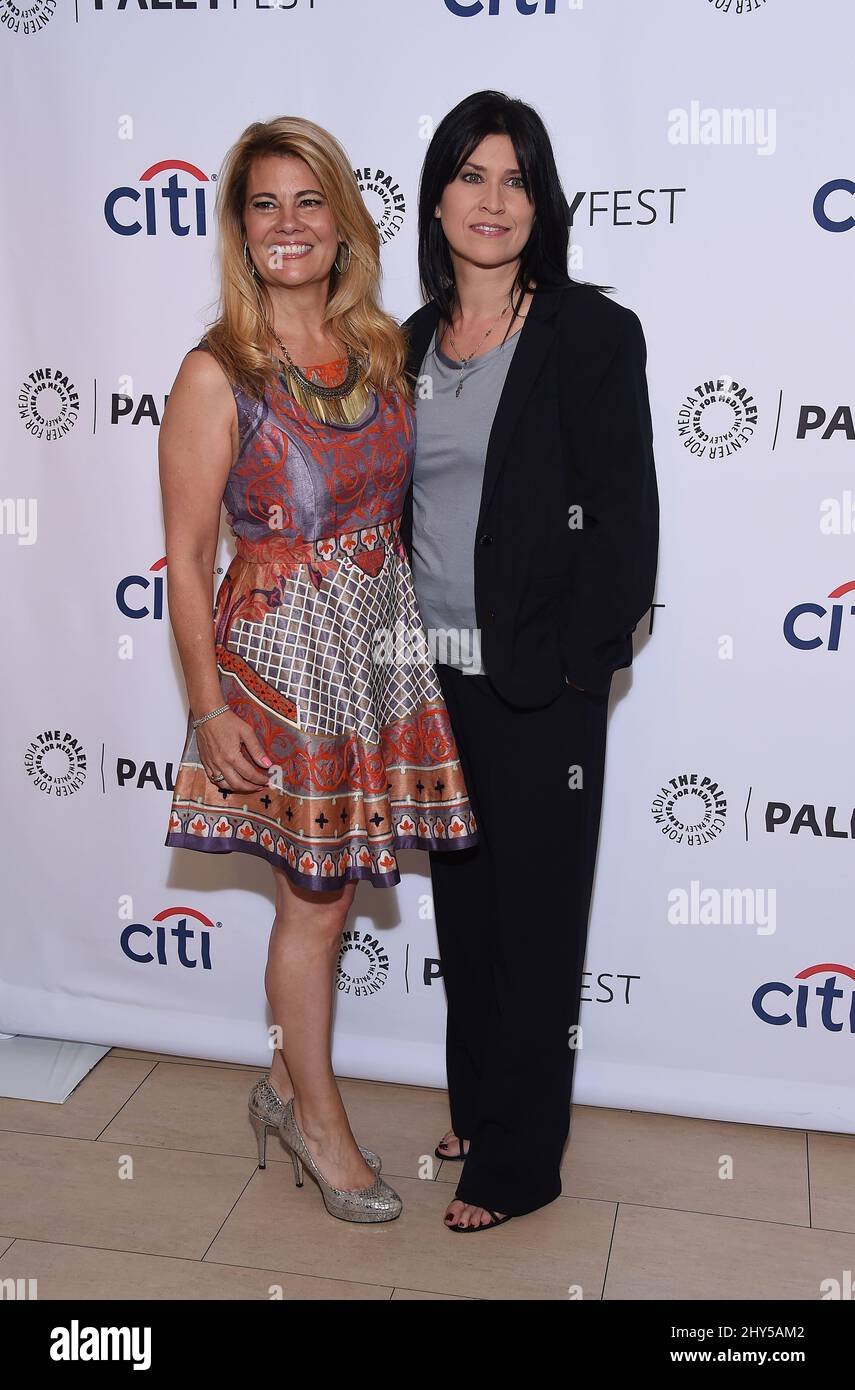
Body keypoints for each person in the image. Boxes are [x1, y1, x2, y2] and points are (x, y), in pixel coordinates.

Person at [160, 116, 478, 1225]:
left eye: (308, 202)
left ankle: (291, 1093)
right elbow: (190, 558)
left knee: (331, 899)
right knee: (316, 901)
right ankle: (320, 1123)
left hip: (376, 649)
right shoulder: (216, 373)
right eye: (264, 205)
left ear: (342, 221)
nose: (288, 225)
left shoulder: (385, 351)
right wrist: (208, 708)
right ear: (241, 232)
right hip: (283, 661)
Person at [400, 90, 659, 1232]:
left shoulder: (592, 334)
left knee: (540, 920)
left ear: (542, 199)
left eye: (514, 178)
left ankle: (521, 1162)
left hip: (538, 689)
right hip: (433, 681)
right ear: (438, 198)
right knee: (467, 912)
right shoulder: (406, 344)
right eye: (470, 175)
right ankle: (480, 1105)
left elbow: (625, 526)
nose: (492, 200)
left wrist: (570, 673)